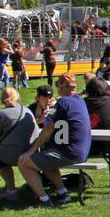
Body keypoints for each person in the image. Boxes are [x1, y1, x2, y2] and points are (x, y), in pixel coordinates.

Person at [18, 72, 91, 205]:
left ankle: (44, 199)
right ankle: (63, 194)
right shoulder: (81, 100)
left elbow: (47, 128)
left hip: (68, 152)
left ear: (62, 88)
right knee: (46, 161)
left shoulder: (61, 102)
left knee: (23, 162)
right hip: (82, 151)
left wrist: (31, 150)